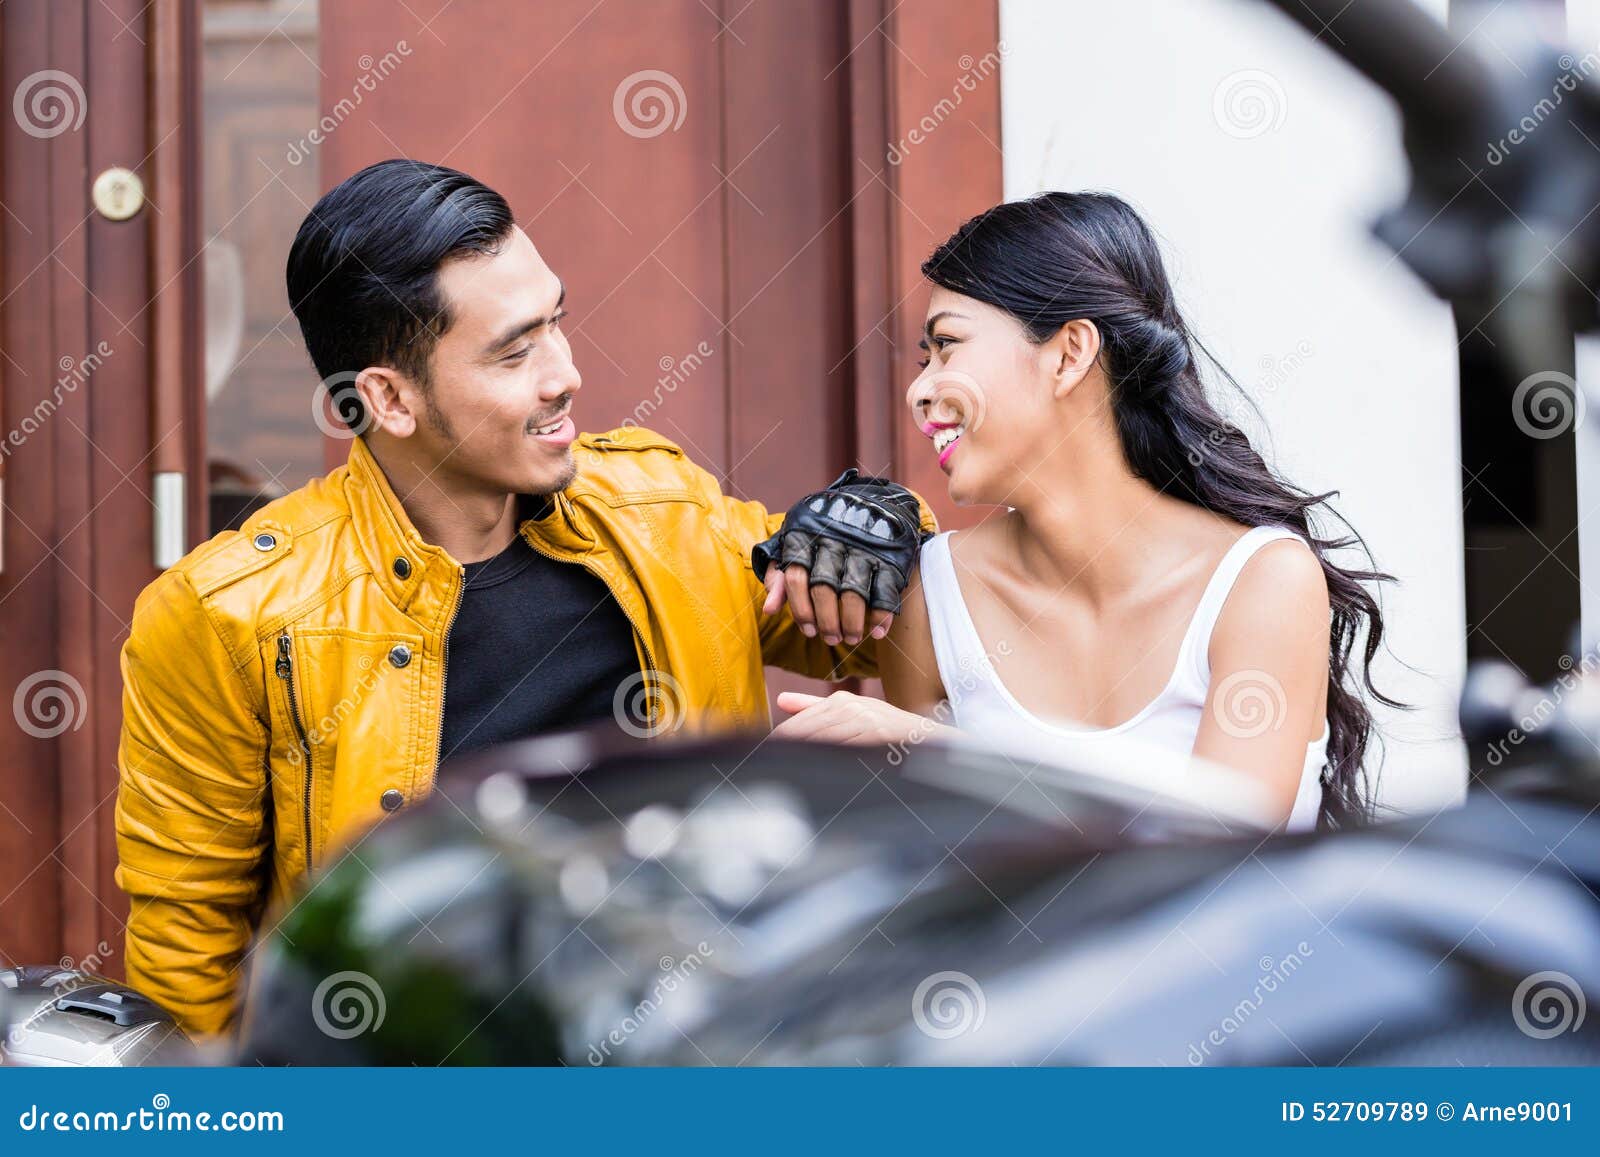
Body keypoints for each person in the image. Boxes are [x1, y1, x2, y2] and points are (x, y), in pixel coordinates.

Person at [113, 160, 933, 1040]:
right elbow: (186, 966)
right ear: (388, 397)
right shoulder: (228, 614)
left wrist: (880, 531)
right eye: (515, 350)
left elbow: (876, 632)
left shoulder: (663, 517)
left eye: (556, 323)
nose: (565, 375)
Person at [773, 192, 1399, 832]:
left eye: (948, 346)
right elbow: (949, 871)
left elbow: (1221, 852)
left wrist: (936, 754)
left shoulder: (1261, 581)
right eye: (923, 358)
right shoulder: (930, 595)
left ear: (1069, 354)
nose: (920, 389)